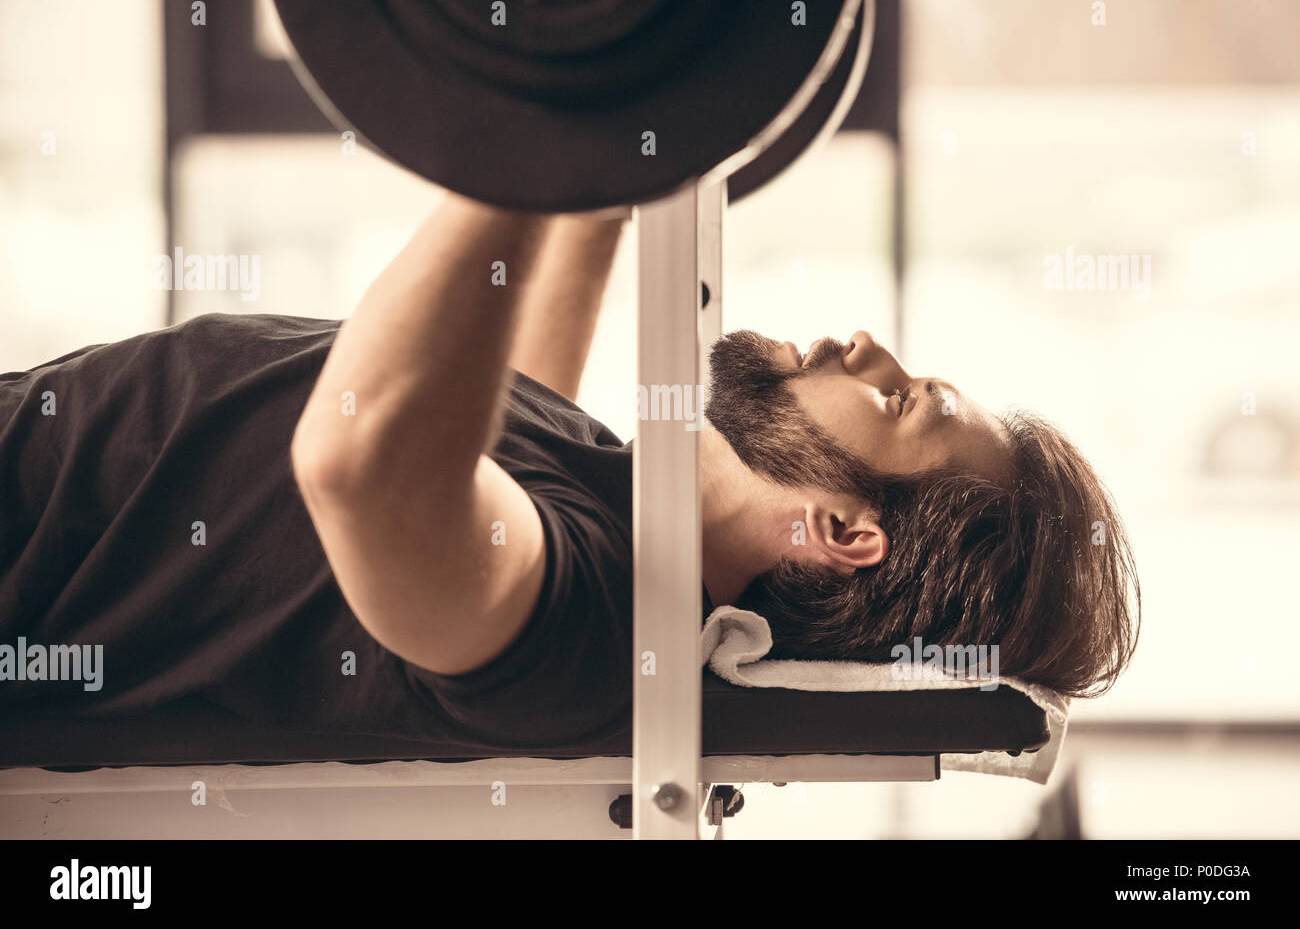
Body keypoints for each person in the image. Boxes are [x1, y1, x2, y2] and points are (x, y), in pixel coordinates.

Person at [0, 193, 1138, 751]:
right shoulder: (611, 512)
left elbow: (364, 459)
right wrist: (596, 188)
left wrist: (528, 121)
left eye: (897, 400)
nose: (863, 346)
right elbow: (496, 415)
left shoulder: (590, 624)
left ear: (844, 531)